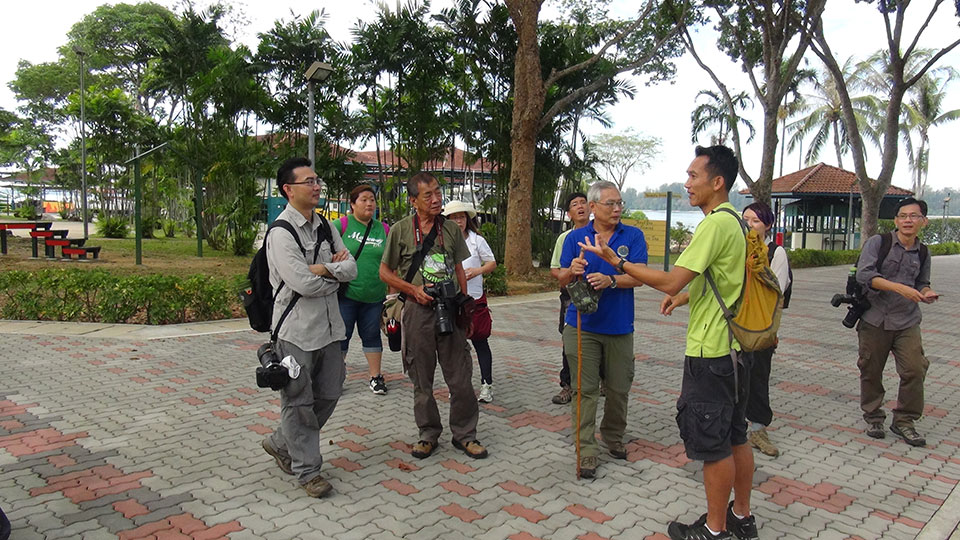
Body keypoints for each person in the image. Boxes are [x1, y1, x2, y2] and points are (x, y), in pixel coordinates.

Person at [579, 145, 756, 539]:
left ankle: (714, 529)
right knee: (736, 435)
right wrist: (685, 297)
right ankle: (741, 518)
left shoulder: (713, 224)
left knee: (715, 445)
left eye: (693, 176)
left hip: (711, 352)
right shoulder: (738, 223)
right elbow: (724, 283)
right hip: (737, 348)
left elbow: (672, 277)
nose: (687, 182)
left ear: (717, 182)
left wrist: (618, 263)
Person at [261, 157, 357, 498]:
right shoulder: (280, 233)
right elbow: (302, 283)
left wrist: (321, 270)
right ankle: (308, 472)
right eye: (309, 182)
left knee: (330, 393)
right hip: (296, 332)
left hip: (331, 329)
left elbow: (353, 269)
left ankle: (279, 442)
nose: (317, 187)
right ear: (288, 190)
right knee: (299, 403)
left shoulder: (327, 226)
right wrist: (330, 271)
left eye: (318, 180)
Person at [379, 172, 488, 460]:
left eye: (438, 192)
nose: (437, 199)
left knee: (461, 376)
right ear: (413, 200)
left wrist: (466, 306)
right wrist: (412, 290)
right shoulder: (400, 230)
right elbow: (385, 272)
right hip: (417, 311)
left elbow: (460, 269)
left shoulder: (450, 229)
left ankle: (465, 434)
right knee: (421, 378)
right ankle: (427, 434)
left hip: (450, 308)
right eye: (428, 195)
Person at [558, 180, 647, 479]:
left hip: (620, 326)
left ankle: (612, 436)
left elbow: (640, 277)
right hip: (583, 326)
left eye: (620, 203)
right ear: (593, 207)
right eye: (611, 203)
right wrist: (573, 270)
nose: (618, 208)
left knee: (619, 389)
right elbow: (560, 277)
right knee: (585, 391)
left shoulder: (632, 236)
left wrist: (611, 280)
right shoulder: (576, 237)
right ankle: (586, 450)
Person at [856, 197, 938, 447]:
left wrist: (925, 292)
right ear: (895, 220)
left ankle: (904, 420)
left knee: (915, 368)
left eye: (914, 216)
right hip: (875, 318)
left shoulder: (923, 252)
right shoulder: (878, 243)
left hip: (907, 321)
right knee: (871, 369)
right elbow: (865, 274)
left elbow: (922, 281)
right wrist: (900, 288)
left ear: (923, 221)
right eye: (903, 216)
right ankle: (873, 416)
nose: (908, 221)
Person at [741, 202, 791, 458]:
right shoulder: (737, 248)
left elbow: (776, 290)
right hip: (735, 323)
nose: (749, 225)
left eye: (756, 221)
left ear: (768, 225)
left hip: (760, 326)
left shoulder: (775, 252)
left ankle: (758, 428)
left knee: (758, 376)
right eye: (745, 219)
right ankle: (735, 427)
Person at [338, 185, 391, 395]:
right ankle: (335, 379)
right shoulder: (341, 225)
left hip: (374, 296)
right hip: (346, 295)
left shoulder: (384, 229)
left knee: (371, 336)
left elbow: (391, 263)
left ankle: (375, 377)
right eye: (364, 200)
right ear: (352, 204)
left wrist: (392, 295)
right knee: (341, 337)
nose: (369, 204)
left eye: (372, 200)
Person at [443, 200, 498, 403]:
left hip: (473, 299)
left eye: (462, 216)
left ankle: (486, 385)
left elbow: (491, 262)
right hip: (451, 299)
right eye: (454, 217)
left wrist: (477, 271)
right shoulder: (443, 241)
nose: (458, 221)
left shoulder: (477, 240)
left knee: (480, 342)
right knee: (455, 346)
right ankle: (458, 387)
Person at [549, 192, 590, 405]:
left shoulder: (601, 235)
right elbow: (555, 270)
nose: (580, 207)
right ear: (569, 213)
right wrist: (570, 274)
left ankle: (598, 382)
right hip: (570, 296)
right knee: (569, 341)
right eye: (575, 204)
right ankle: (567, 386)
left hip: (598, 294)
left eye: (583, 202)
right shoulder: (564, 238)